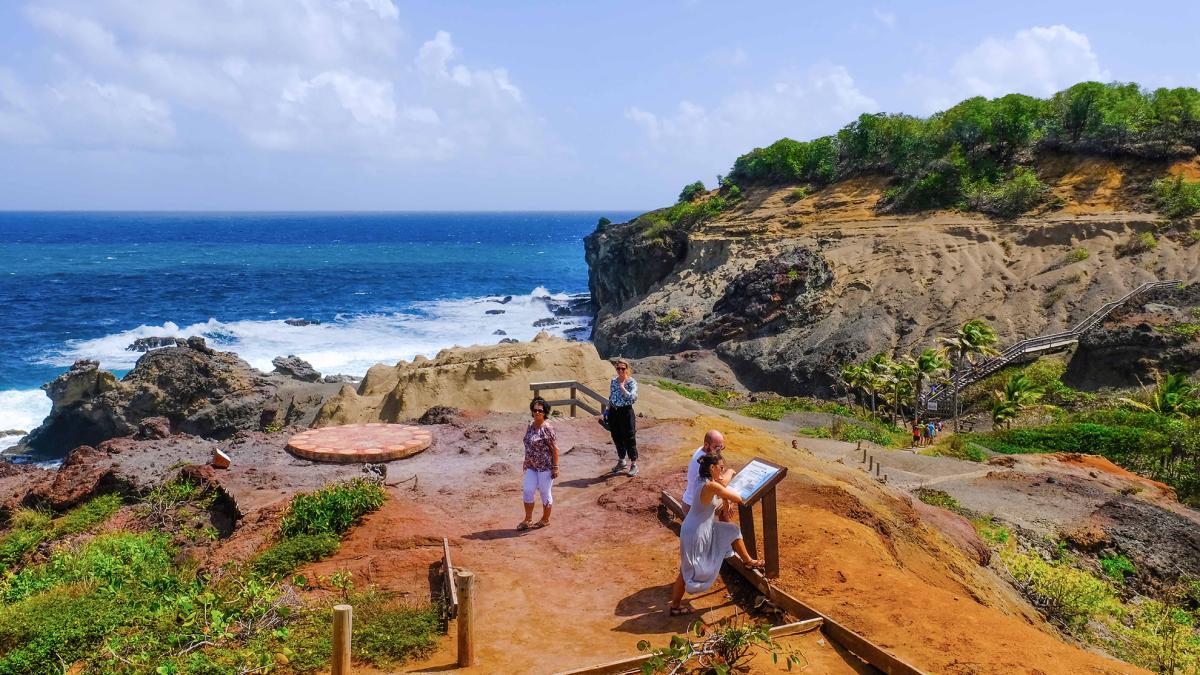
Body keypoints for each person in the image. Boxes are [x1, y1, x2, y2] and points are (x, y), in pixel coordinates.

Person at [668, 453, 763, 615]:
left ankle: (748, 561)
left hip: (701, 528)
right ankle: (674, 607)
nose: (722, 470)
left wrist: (728, 485)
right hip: (696, 533)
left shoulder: (703, 478)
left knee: (732, 530)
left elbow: (722, 484)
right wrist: (732, 480)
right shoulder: (711, 486)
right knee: (686, 572)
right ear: (712, 468)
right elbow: (737, 496)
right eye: (721, 467)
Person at [517, 396, 559, 530]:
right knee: (528, 490)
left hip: (545, 467)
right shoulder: (530, 425)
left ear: (545, 412)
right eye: (535, 410)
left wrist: (555, 467)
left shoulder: (547, 428)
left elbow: (554, 449)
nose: (537, 413)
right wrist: (526, 460)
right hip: (531, 466)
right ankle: (528, 519)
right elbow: (527, 444)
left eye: (540, 411)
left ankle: (545, 519)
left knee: (545, 492)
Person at [604, 359, 639, 476]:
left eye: (623, 368)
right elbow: (611, 396)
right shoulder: (613, 381)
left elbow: (633, 398)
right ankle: (621, 461)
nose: (620, 371)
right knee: (616, 436)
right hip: (614, 411)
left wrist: (622, 387)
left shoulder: (631, 382)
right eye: (618, 368)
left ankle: (633, 464)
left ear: (627, 369)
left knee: (629, 437)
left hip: (626, 412)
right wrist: (607, 410)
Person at [682, 430, 725, 515]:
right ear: (706, 445)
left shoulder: (702, 452)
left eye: (721, 447)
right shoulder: (707, 462)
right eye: (716, 447)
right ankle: (725, 525)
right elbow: (722, 483)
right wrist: (731, 472)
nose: (719, 450)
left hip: (687, 502)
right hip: (695, 508)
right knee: (729, 497)